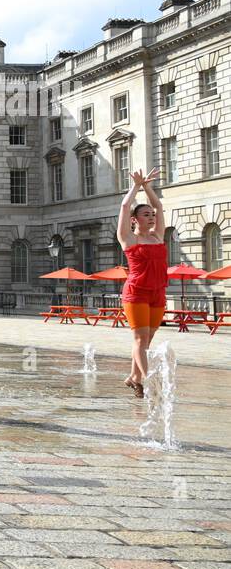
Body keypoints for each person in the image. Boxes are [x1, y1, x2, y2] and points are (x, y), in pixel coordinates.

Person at [117, 168, 167, 398]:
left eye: (151, 215)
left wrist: (148, 187)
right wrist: (136, 186)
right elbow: (125, 207)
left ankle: (133, 377)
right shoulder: (128, 238)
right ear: (135, 220)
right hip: (136, 293)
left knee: (148, 339)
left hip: (158, 292)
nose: (152, 217)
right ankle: (147, 381)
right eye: (146, 214)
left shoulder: (157, 236)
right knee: (140, 338)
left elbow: (159, 206)